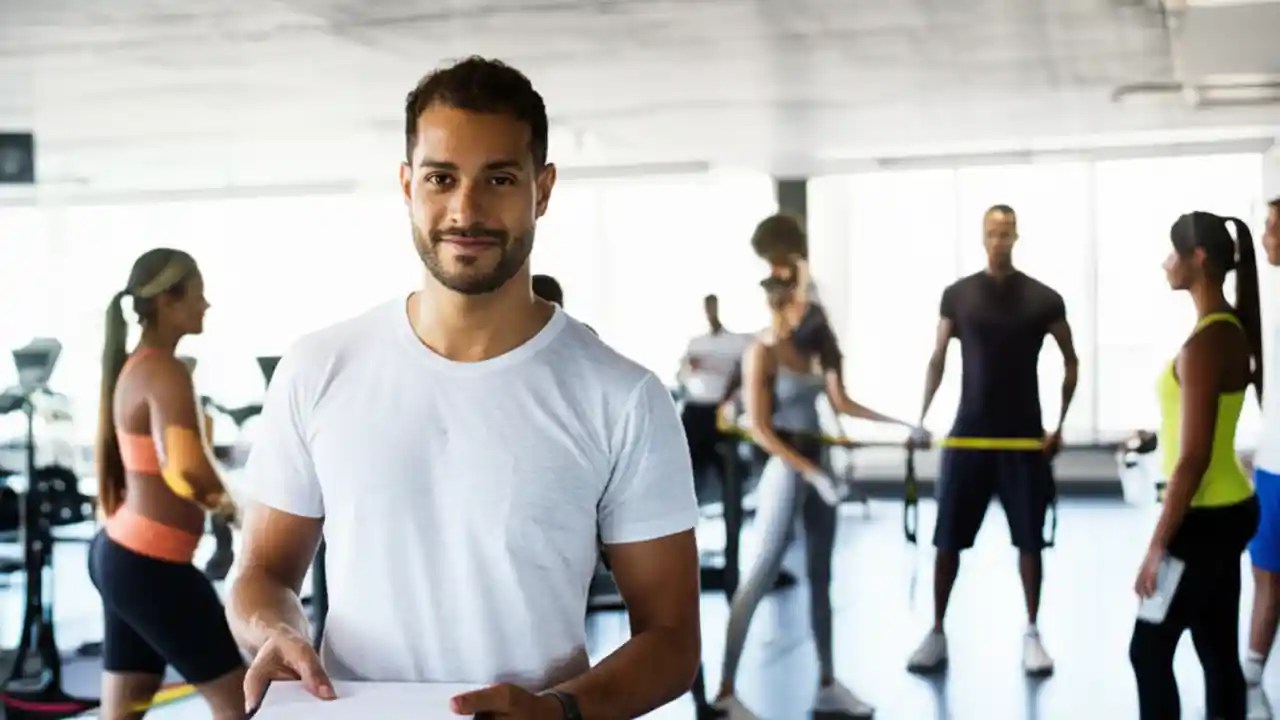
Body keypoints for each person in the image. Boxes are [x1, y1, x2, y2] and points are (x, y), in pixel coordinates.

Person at [226, 56, 701, 720]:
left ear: (542, 189)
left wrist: (559, 710)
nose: (466, 209)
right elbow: (263, 575)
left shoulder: (621, 397)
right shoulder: (318, 369)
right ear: (407, 185)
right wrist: (277, 632)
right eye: (441, 178)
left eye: (499, 179)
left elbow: (673, 640)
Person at [713, 266, 926, 720]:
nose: (806, 302)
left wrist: (904, 426)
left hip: (819, 465)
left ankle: (827, 686)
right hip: (788, 468)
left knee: (821, 577)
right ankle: (724, 693)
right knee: (761, 573)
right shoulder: (762, 352)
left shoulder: (809, 350)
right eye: (799, 295)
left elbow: (843, 403)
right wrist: (811, 473)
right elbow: (760, 429)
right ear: (781, 300)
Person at [908, 204, 1079, 677]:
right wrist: (920, 420)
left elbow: (1071, 361)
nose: (999, 240)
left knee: (1029, 543)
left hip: (1024, 440)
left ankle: (1032, 632)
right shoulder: (958, 296)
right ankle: (936, 631)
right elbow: (938, 358)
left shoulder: (1044, 299)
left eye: (1006, 233)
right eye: (991, 233)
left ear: (1016, 236)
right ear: (982, 237)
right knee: (948, 541)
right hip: (969, 439)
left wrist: (1059, 426)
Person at [91, 249, 245, 719]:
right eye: (198, 295)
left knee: (127, 706)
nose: (207, 306)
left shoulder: (142, 365)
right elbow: (184, 468)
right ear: (167, 301)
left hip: (121, 557)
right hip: (150, 569)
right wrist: (237, 514)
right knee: (242, 702)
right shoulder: (163, 370)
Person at [1129, 211, 1264, 719]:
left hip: (1203, 519)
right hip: (1224, 510)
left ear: (1198, 258)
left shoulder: (1208, 341)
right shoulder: (1222, 331)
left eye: (1172, 252)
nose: (1166, 263)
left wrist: (1158, 545)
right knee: (1216, 653)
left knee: (1148, 651)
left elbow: (1195, 457)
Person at [1247, 197, 1280, 720]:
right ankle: (1251, 677)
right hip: (1271, 465)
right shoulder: (1271, 300)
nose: (1266, 236)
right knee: (1266, 573)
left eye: (1273, 228)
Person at [677, 294, 753, 498]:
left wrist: (727, 398)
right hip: (695, 408)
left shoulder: (738, 343)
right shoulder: (696, 343)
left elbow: (743, 376)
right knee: (684, 467)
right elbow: (682, 375)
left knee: (729, 471)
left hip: (722, 410)